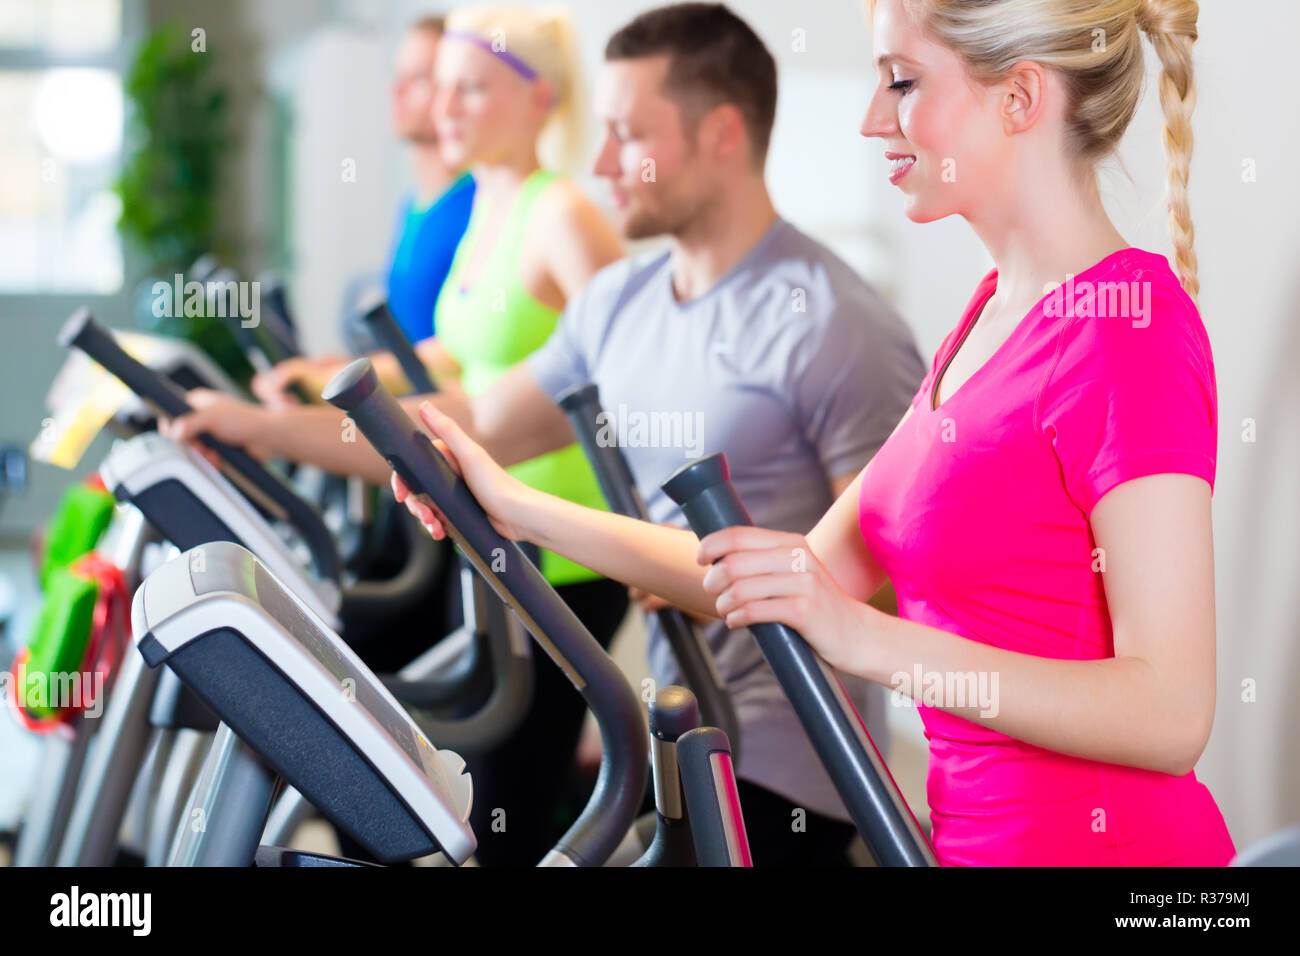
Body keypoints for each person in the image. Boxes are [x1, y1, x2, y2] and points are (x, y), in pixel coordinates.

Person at [399, 0, 1236, 866]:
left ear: (1020, 97)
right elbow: (792, 573)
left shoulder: (1126, 326)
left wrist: (868, 638)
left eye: (902, 83)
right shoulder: (985, 322)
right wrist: (510, 505)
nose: (874, 119)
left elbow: (1172, 711)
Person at [164, 3, 926, 866]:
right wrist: (261, 427)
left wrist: (656, 564)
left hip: (794, 772)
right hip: (681, 735)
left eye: (628, 134)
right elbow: (476, 424)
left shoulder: (837, 325)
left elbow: (892, 587)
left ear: (721, 133)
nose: (600, 163)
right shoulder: (621, 304)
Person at [172, 5, 628, 867]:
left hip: (559, 558)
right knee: (461, 787)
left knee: (508, 813)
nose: (445, 107)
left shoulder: (562, 214)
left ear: (538, 99)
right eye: (441, 88)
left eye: (471, 89)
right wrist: (320, 378)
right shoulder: (494, 206)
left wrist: (268, 424)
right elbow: (455, 361)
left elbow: (637, 367)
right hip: (490, 540)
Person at [254, 15, 475, 404]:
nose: (398, 89)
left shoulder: (477, 204)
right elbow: (413, 338)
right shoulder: (412, 205)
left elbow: (463, 349)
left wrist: (355, 375)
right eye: (398, 74)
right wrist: (347, 365)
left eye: (419, 77)